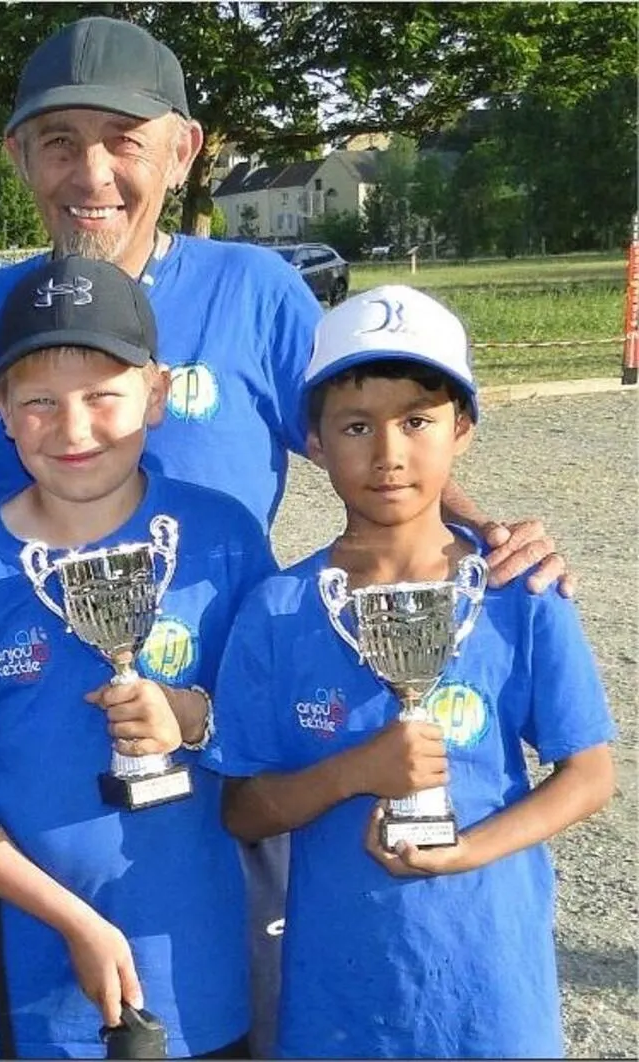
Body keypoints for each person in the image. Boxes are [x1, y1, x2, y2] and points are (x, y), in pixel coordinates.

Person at [0, 15, 573, 1056]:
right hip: (33, 805)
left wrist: (483, 530)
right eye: (59, 142)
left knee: (222, 1012)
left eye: (124, 140)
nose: (90, 172)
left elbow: (373, 437)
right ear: (18, 156)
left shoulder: (256, 294)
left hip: (221, 771)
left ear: (181, 150)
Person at [0, 254, 277, 1058]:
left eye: (103, 396)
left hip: (195, 976)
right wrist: (73, 921)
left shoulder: (221, 539)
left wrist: (192, 714)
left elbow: (277, 730)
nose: (74, 428)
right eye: (40, 403)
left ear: (156, 393)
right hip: (19, 986)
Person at [204, 285, 616, 1059]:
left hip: (491, 993)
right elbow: (243, 811)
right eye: (356, 425)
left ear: (463, 429)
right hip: (339, 1007)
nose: (388, 453)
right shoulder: (279, 609)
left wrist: (468, 851)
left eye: (417, 420)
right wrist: (354, 772)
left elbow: (589, 774)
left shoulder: (519, 592)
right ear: (315, 441)